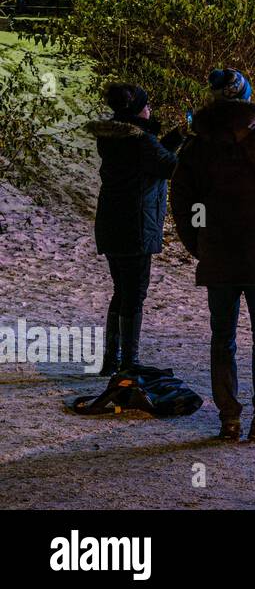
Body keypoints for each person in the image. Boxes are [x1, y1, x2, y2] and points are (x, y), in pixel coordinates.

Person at [171, 68, 255, 443]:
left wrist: (199, 242)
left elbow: (185, 203)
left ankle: (228, 419)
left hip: (219, 257)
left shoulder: (196, 149)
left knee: (222, 337)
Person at [86, 84, 186, 375]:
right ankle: (129, 361)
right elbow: (170, 167)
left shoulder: (117, 139)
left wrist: (177, 136)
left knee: (121, 292)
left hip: (112, 225)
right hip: (136, 227)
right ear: (137, 110)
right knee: (134, 294)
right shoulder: (141, 142)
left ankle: (112, 359)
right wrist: (192, 146)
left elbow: (153, 157)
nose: (149, 109)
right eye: (146, 104)